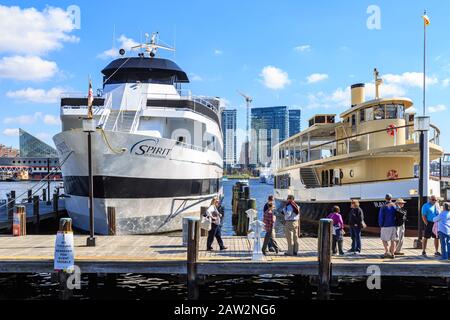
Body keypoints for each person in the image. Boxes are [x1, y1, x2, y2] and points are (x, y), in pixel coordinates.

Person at [378, 194, 398, 259]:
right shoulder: (395, 206)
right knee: (393, 240)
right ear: (391, 198)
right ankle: (392, 254)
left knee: (384, 239)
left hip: (385, 225)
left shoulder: (383, 206)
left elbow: (381, 217)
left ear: (385, 198)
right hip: (394, 225)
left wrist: (381, 225)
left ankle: (387, 252)